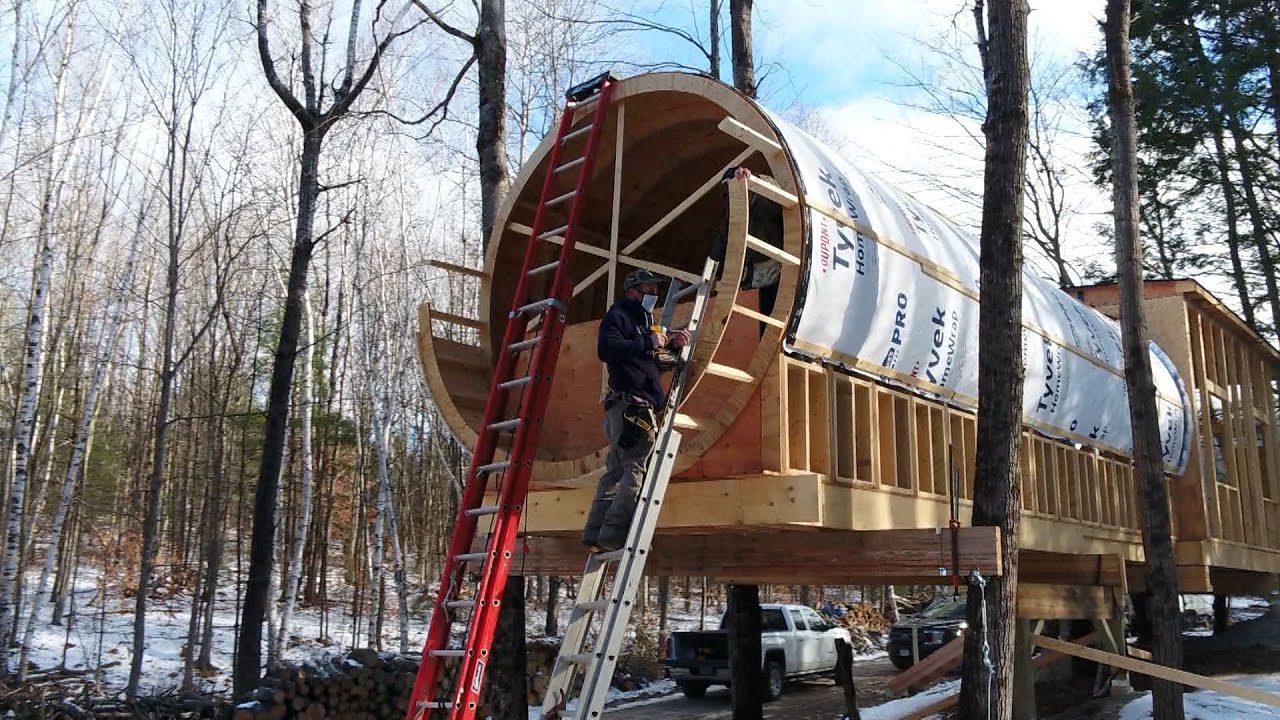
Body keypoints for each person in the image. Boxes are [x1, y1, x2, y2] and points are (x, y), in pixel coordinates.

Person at [581, 269, 690, 552]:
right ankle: (615, 536)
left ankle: (594, 534)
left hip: (630, 408)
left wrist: (672, 345)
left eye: (656, 290)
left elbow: (648, 361)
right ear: (632, 290)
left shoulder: (644, 321)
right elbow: (607, 349)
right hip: (632, 408)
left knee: (615, 471)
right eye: (649, 289)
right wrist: (646, 342)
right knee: (635, 470)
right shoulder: (620, 316)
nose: (654, 295)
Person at [709, 166, 784, 329]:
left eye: (734, 190)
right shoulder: (730, 221)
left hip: (784, 262)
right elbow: (716, 254)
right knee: (769, 320)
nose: (733, 198)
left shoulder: (764, 202)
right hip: (765, 274)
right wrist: (709, 278)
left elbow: (776, 193)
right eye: (728, 194)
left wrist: (756, 180)